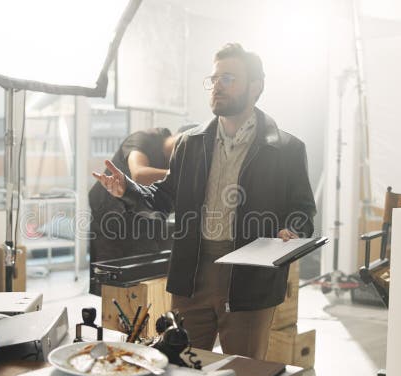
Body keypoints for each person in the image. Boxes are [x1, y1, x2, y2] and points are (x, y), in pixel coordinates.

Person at [93, 43, 317, 359]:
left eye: (228, 78)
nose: (217, 87)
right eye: (213, 79)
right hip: (191, 276)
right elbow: (162, 199)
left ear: (256, 87)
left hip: (248, 281)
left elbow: (303, 209)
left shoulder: (286, 149)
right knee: (182, 369)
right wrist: (127, 190)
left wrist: (292, 229)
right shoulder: (190, 143)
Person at [87, 125, 195, 295]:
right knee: (115, 285)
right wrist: (186, 176)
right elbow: (139, 174)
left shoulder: (177, 163)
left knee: (147, 282)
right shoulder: (143, 139)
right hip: (112, 219)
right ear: (181, 137)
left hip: (144, 220)